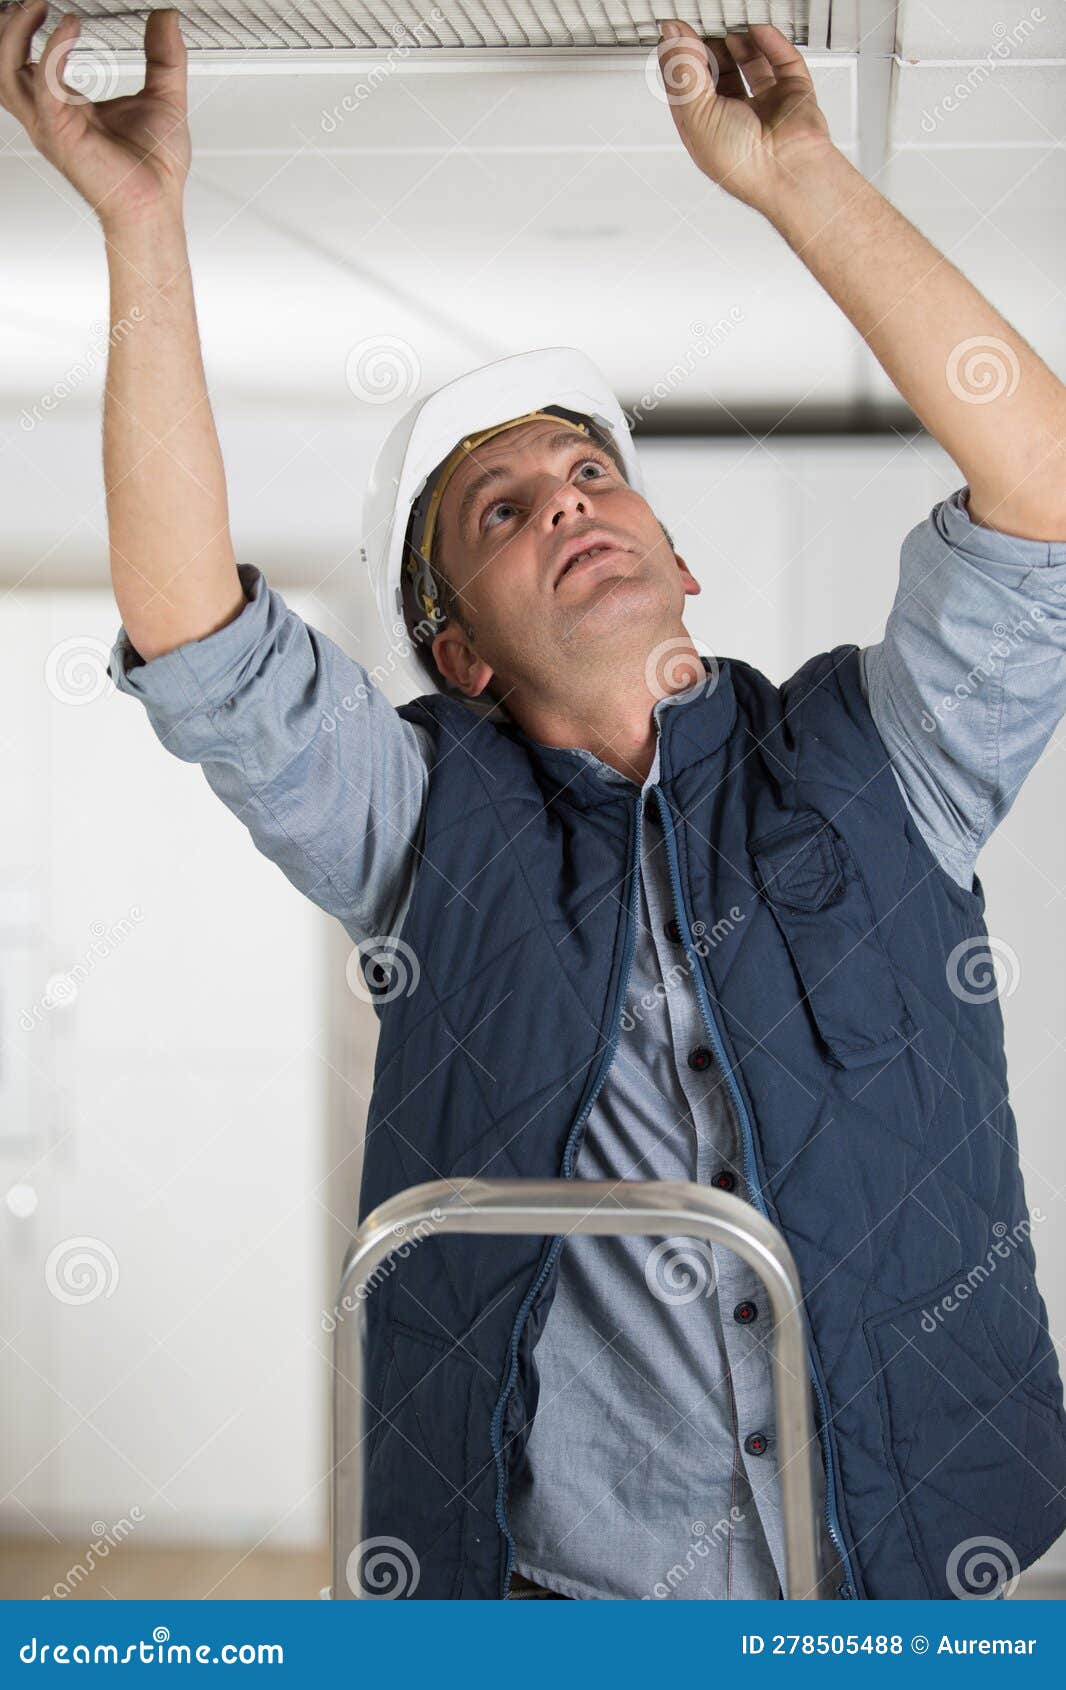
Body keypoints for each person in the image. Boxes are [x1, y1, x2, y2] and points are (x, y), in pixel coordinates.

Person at [5, 3, 1065, 1601]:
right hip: (572, 1604)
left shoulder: (879, 756)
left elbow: (1037, 501)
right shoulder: (424, 830)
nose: (567, 505)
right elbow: (196, 638)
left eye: (589, 474)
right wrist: (141, 228)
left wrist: (799, 181)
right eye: (502, 511)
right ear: (461, 653)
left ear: (675, 559)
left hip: (899, 1575)